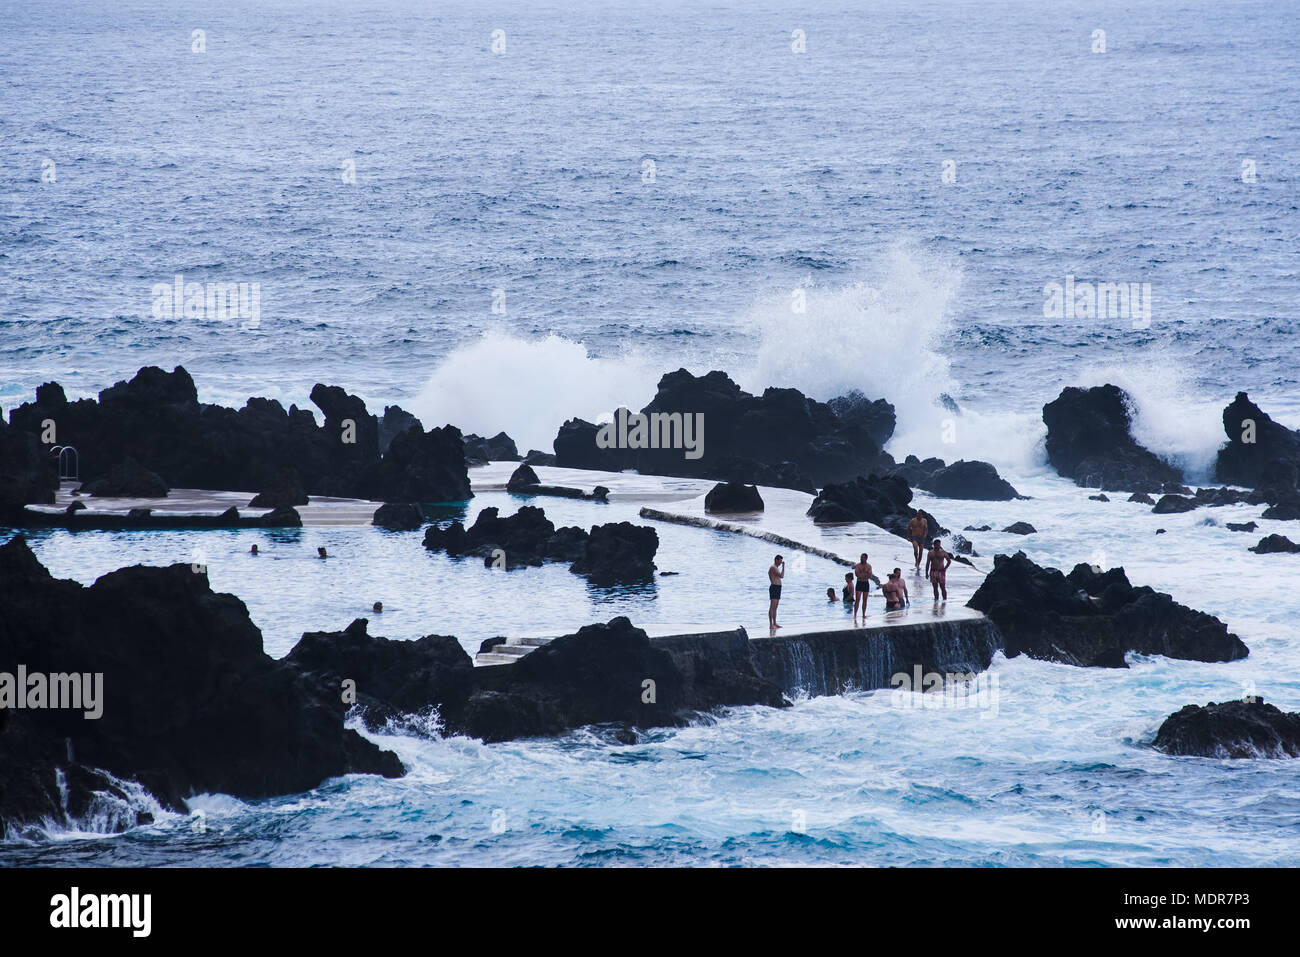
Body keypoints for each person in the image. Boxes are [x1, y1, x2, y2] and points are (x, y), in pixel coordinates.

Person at [852, 553, 882, 621]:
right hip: (859, 583)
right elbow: (857, 574)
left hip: (865, 583)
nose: (861, 558)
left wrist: (863, 574)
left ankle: (863, 614)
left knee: (865, 600)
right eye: (861, 557)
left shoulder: (869, 566)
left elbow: (870, 575)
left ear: (866, 558)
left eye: (863, 557)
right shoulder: (858, 565)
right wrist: (865, 574)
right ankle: (855, 615)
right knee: (857, 600)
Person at [768, 555, 785, 630]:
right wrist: (784, 567)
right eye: (780, 561)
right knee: (772, 607)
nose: (781, 563)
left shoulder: (776, 568)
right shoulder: (773, 567)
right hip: (774, 587)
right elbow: (781, 576)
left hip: (777, 588)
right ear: (776, 560)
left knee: (775, 607)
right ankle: (771, 624)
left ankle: (775, 623)